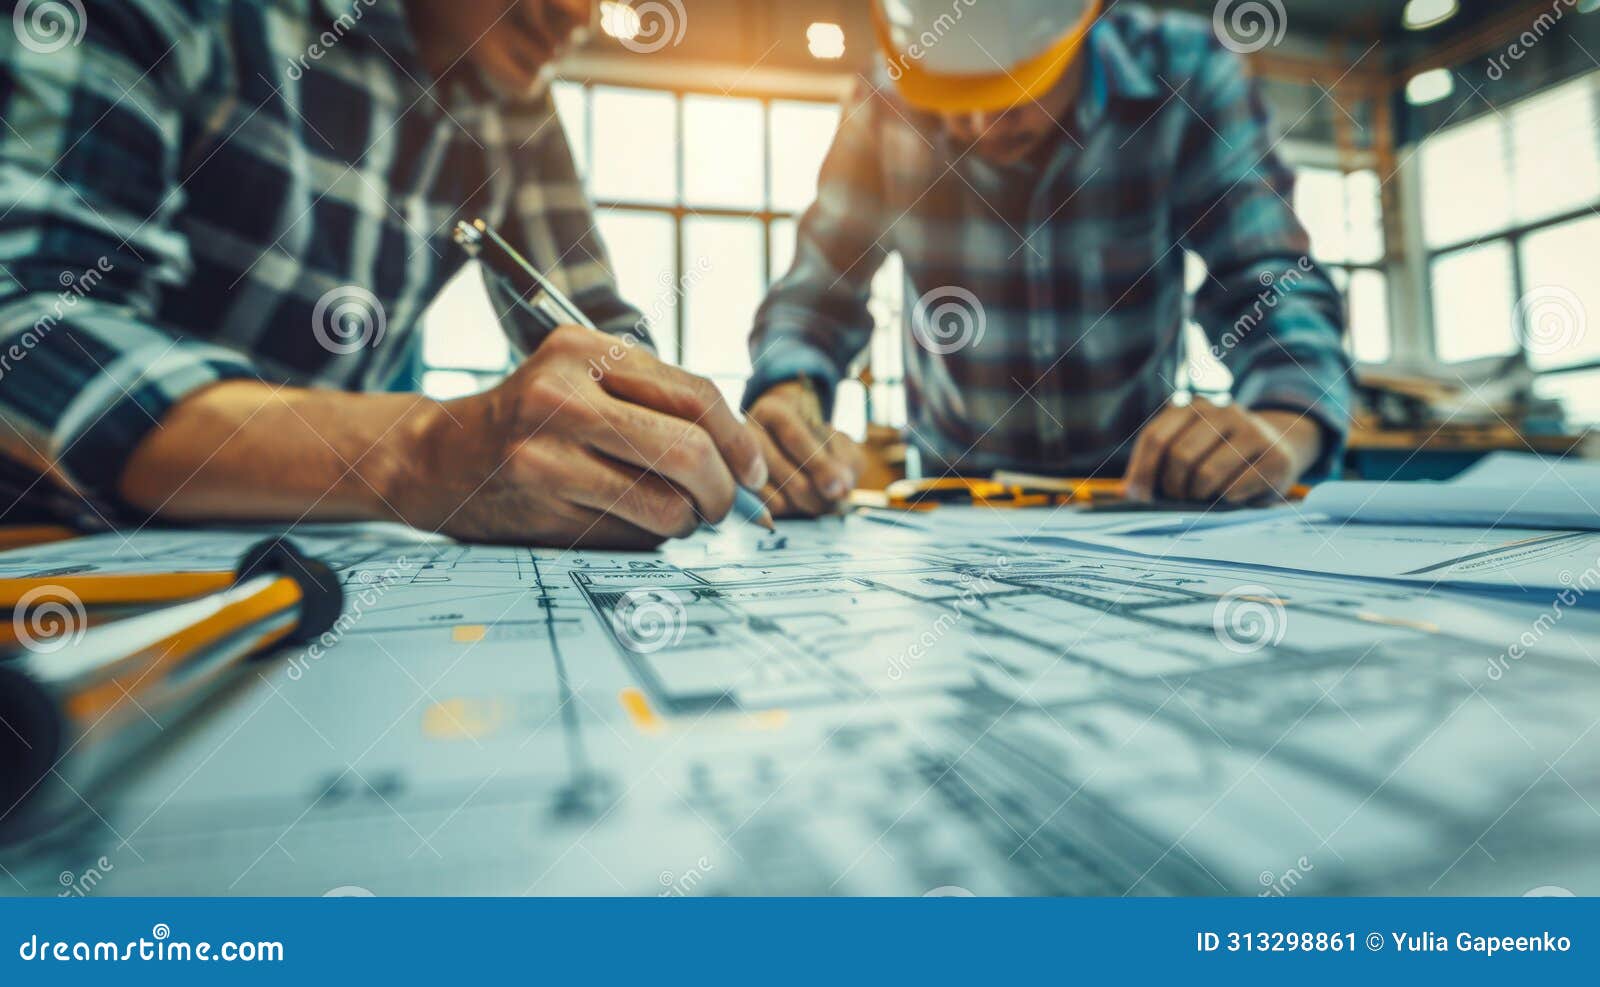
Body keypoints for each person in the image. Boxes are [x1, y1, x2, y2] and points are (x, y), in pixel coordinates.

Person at [0, 0, 764, 549]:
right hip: (57, 556)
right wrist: (420, 453)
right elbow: (29, 336)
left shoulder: (513, 108)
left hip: (312, 558)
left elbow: (597, 326)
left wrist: (672, 430)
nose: (577, 14)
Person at [744, 0, 1352, 516]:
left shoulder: (1187, 75)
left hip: (1139, 496)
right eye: (955, 95)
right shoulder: (885, 98)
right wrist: (790, 395)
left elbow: (1264, 275)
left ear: (1085, 23)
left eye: (1014, 91)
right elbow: (819, 292)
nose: (981, 124)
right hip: (954, 499)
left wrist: (1282, 420)